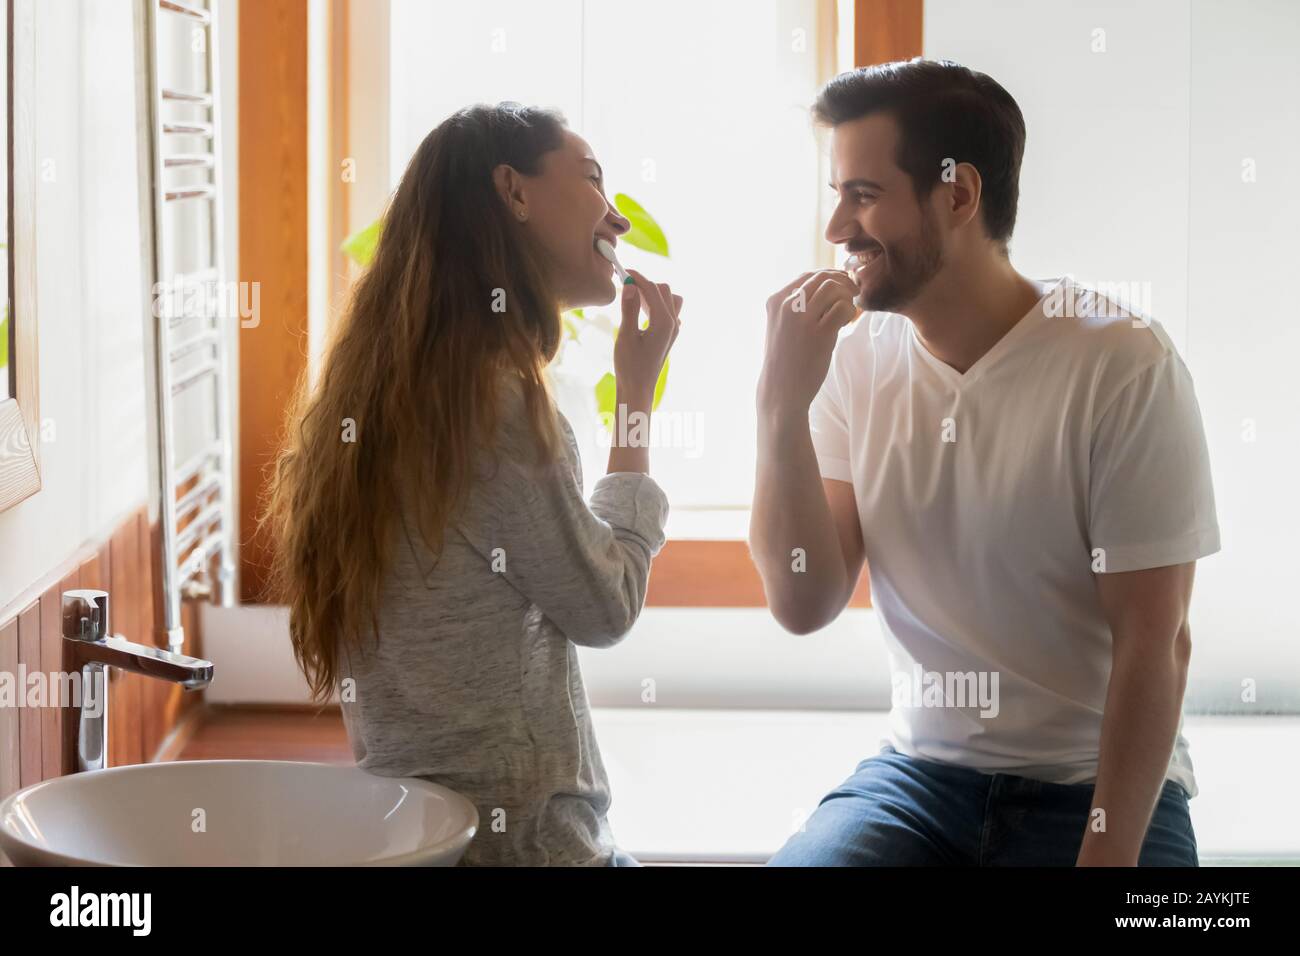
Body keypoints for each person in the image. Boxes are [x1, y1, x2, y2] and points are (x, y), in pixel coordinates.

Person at [750, 59, 1218, 866]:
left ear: (957, 195)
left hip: (1095, 789)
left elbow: (1157, 642)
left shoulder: (1123, 366)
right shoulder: (854, 363)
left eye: (862, 195)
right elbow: (802, 600)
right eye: (837, 195)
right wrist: (778, 408)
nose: (836, 229)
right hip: (920, 781)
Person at [261, 102, 682, 866]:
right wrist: (635, 401)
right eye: (592, 180)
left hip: (426, 844)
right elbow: (604, 605)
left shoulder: (384, 393)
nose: (617, 219)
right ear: (513, 193)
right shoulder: (495, 401)